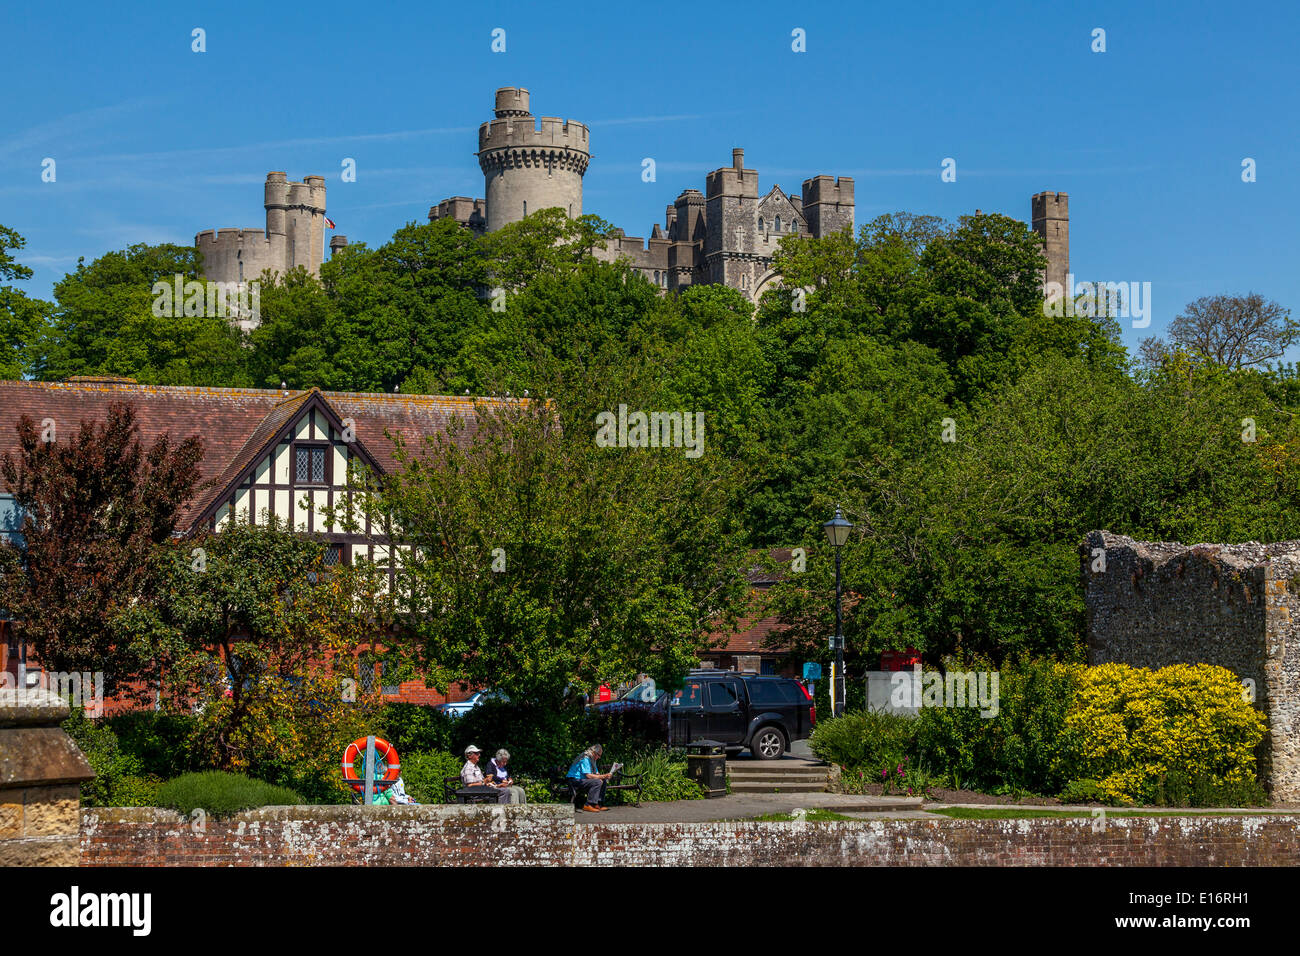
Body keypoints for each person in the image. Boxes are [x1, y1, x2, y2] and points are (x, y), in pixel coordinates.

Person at [567, 743, 614, 812]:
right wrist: (603, 776)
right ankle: (588, 805)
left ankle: (598, 804)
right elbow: (588, 775)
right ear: (594, 753)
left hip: (582, 780)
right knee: (597, 782)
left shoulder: (592, 760)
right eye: (599, 755)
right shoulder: (585, 758)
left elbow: (597, 774)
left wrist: (605, 777)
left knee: (602, 781)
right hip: (574, 780)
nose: (599, 757)